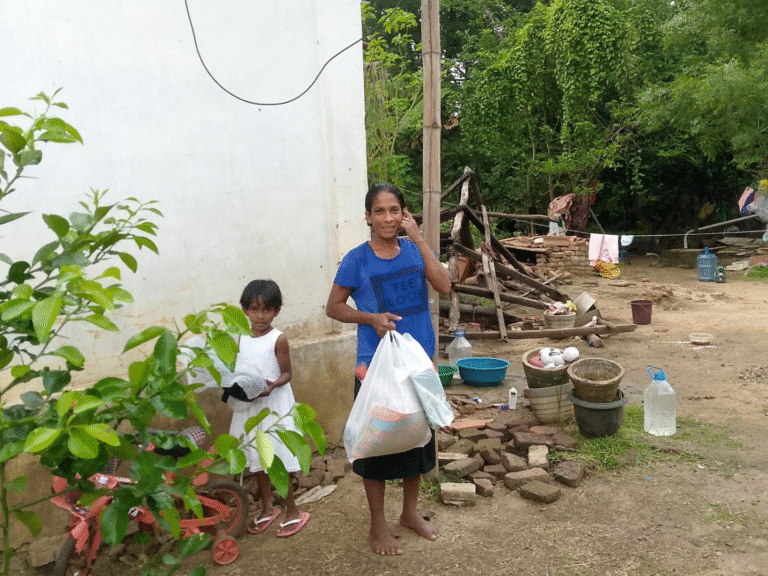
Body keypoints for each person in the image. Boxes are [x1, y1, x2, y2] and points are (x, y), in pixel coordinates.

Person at [326, 182, 452, 555]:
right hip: (375, 368)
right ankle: (378, 525)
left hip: (419, 365)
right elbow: (333, 307)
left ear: (404, 214)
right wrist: (370, 318)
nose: (387, 218)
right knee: (375, 447)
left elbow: (444, 285)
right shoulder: (356, 260)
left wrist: (420, 239)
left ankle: (409, 513)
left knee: (418, 442)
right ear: (367, 217)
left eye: (394, 210)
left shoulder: (414, 251)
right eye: (379, 211)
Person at [230, 279, 310, 538]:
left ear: (276, 311)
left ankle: (292, 511)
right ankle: (267, 508)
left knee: (276, 459)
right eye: (254, 309)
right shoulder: (240, 337)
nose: (260, 316)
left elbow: (287, 374)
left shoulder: (278, 339)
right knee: (256, 459)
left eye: (267, 310)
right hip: (250, 407)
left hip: (274, 404)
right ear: (245, 310)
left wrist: (272, 385)